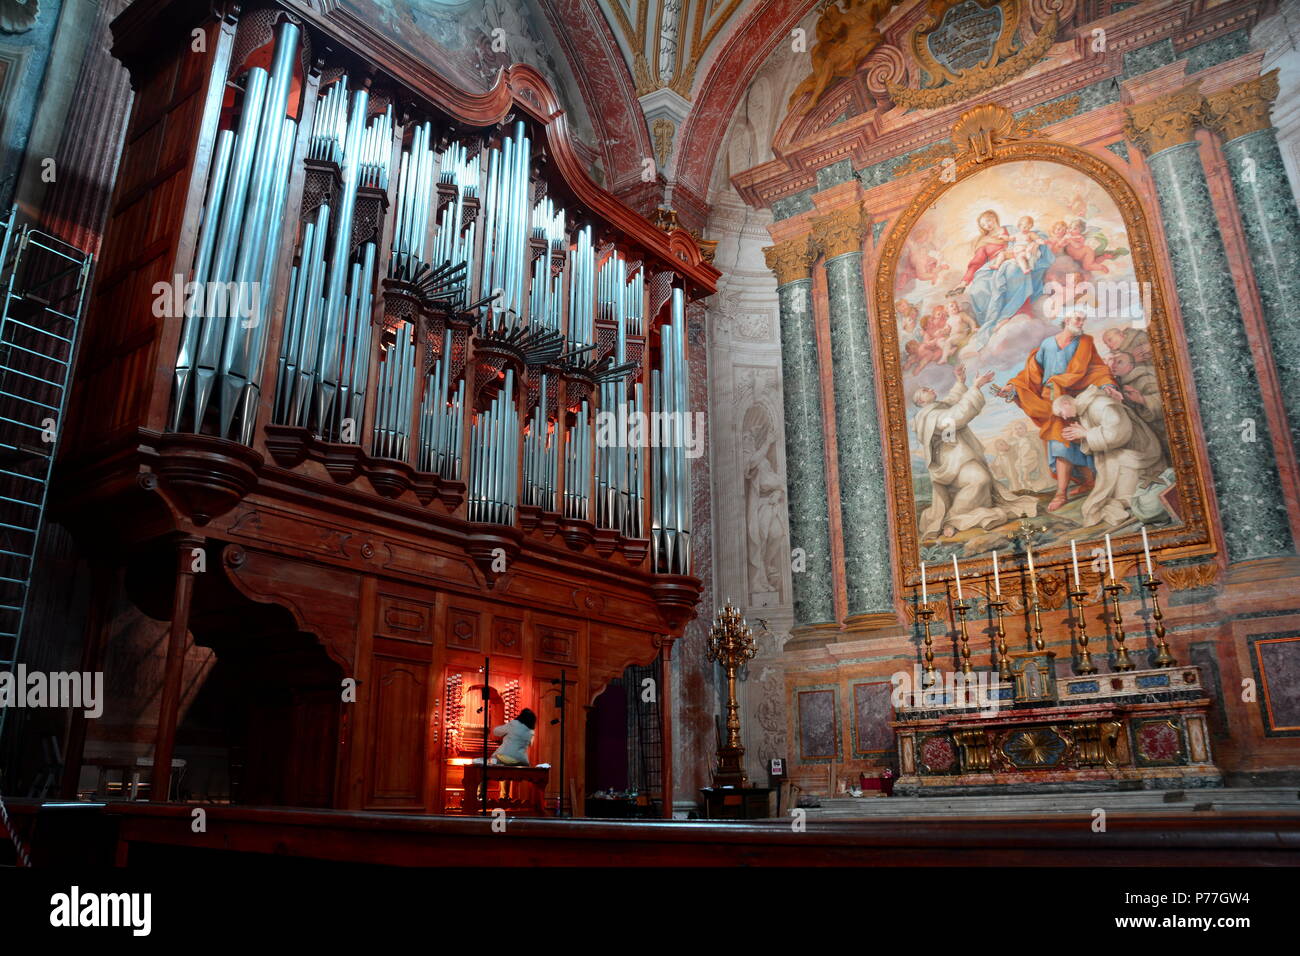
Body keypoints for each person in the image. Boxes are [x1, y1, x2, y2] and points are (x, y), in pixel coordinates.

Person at [991, 309, 1121, 512]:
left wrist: (1107, 386)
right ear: (1067, 320)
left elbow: (1097, 368)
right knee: (1060, 443)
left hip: (1076, 400)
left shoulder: (1085, 342)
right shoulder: (1047, 345)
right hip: (1052, 403)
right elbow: (1031, 374)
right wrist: (1013, 388)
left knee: (1081, 442)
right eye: (1078, 319)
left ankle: (1088, 482)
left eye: (1083, 319)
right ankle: (1061, 493)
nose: (1081, 322)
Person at [913, 364, 1039, 539]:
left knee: (981, 481)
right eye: (926, 390)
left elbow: (951, 401)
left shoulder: (935, 409)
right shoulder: (929, 415)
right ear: (921, 402)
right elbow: (955, 415)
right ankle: (952, 520)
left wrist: (960, 382)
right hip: (951, 461)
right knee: (980, 480)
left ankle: (955, 519)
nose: (931, 389)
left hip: (957, 457)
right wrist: (976, 387)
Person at [1054, 389, 1167, 528]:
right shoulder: (1085, 411)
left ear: (1066, 403)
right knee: (1107, 499)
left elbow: (1118, 433)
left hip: (1136, 451)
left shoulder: (1100, 404)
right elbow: (1099, 438)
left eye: (1061, 413)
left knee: (1123, 498)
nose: (1064, 418)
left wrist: (1087, 434)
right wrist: (1083, 436)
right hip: (1118, 453)